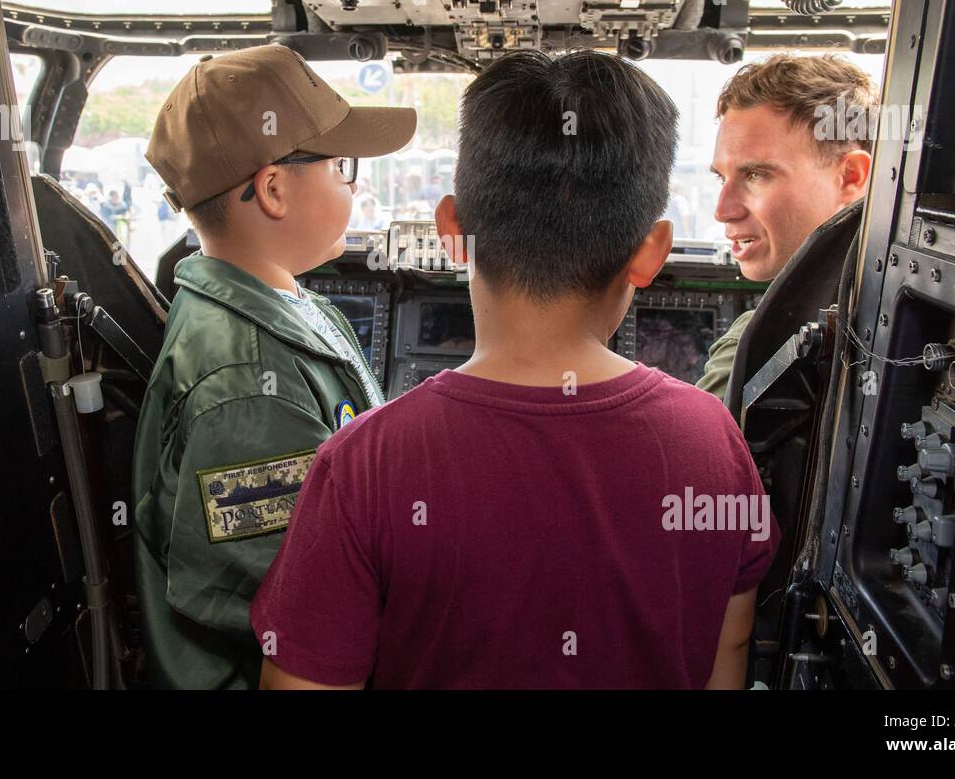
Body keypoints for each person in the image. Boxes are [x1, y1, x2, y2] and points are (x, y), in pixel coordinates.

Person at [251, 50, 779, 689]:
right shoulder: (716, 442)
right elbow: (729, 658)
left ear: (451, 232)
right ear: (651, 252)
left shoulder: (362, 465)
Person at [132, 44, 416, 688]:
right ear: (274, 188)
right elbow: (301, 605)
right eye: (343, 165)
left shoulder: (291, 305)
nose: (355, 181)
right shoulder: (244, 385)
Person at [696, 54, 876, 402]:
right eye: (722, 177)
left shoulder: (754, 345)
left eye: (756, 175)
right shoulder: (877, 302)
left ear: (850, 176)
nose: (723, 210)